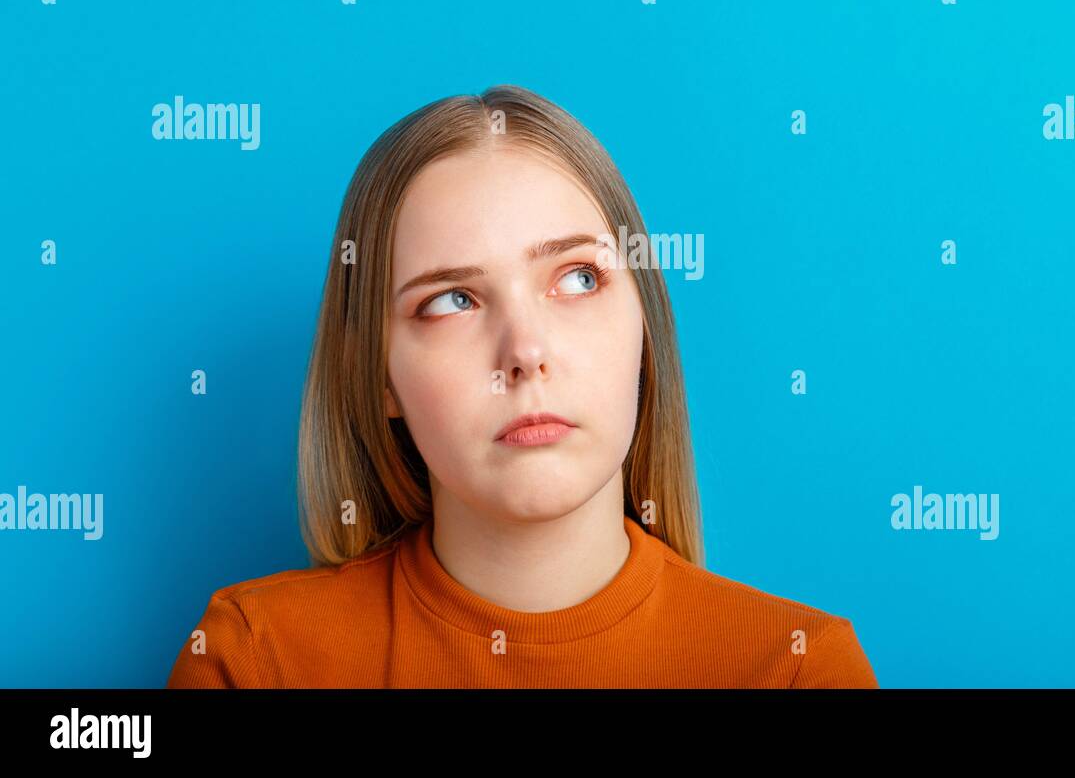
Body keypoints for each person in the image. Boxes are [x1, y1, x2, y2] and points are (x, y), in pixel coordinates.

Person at [166, 85, 879, 688]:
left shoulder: (796, 669)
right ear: (378, 376)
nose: (525, 351)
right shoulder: (258, 661)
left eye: (577, 278)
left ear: (644, 329)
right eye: (451, 300)